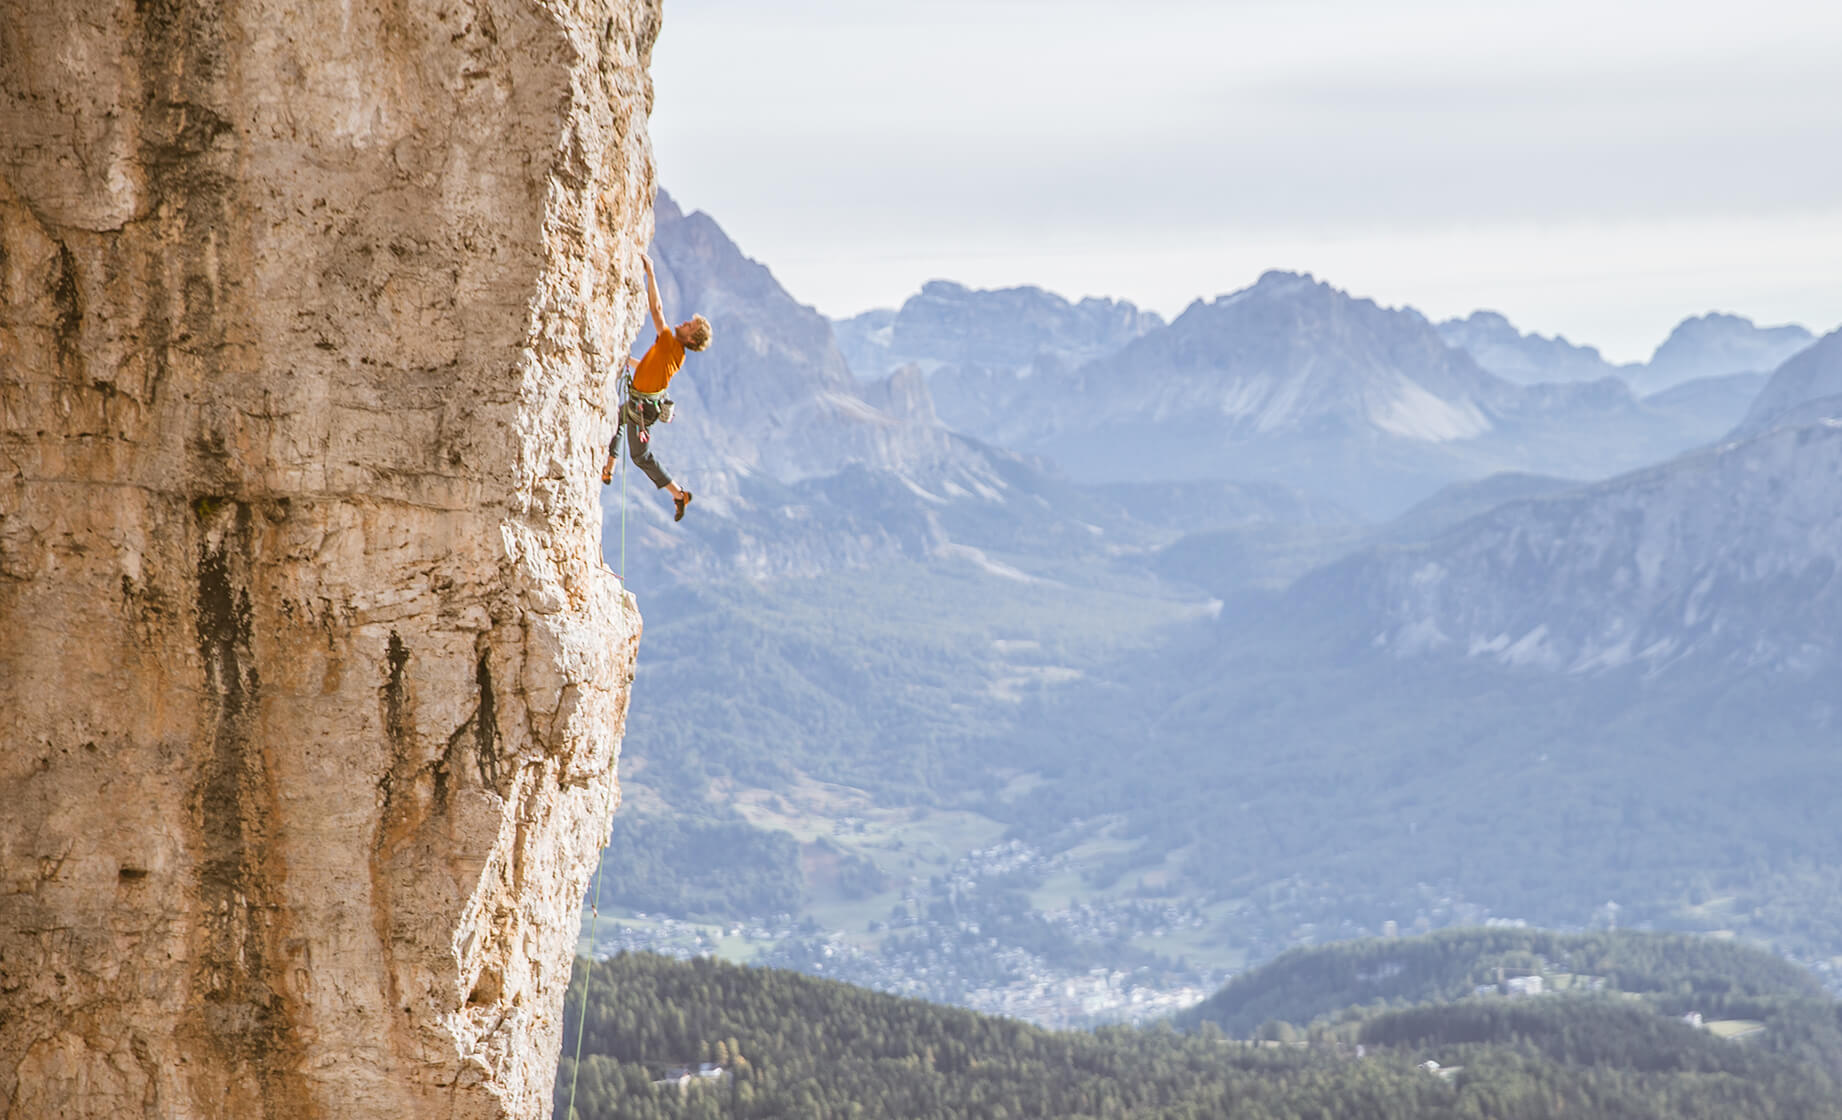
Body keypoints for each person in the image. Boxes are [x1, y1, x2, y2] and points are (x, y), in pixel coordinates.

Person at [602, 252, 712, 522]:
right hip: (645, 403)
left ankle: (678, 493)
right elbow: (650, 369)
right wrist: (626, 360)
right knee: (616, 417)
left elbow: (657, 310)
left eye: (689, 325)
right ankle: (609, 468)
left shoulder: (670, 343)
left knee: (640, 456)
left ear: (690, 337)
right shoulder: (675, 353)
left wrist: (650, 273)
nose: (683, 323)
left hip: (644, 407)